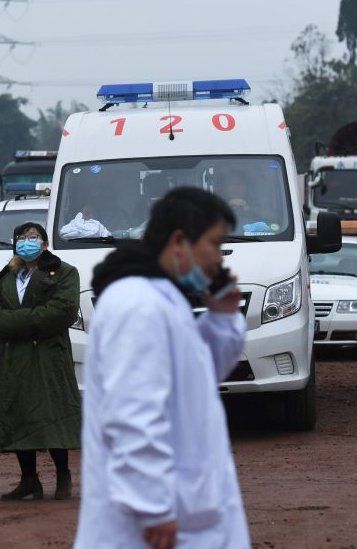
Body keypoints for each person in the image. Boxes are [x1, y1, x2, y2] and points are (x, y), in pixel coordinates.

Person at [75, 187, 249, 549]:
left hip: (188, 511)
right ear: (180, 241)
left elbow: (197, 383)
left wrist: (223, 318)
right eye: (215, 244)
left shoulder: (164, 300)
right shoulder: (138, 305)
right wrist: (152, 506)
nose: (220, 258)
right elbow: (132, 413)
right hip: (154, 524)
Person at [0, 222, 81, 501]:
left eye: (33, 237)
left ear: (45, 243)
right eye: (22, 237)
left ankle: (63, 476)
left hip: (47, 357)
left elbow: (61, 312)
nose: (28, 242)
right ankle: (29, 481)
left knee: (52, 415)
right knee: (19, 416)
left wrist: (14, 323)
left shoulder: (64, 273)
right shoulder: (8, 276)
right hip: (13, 358)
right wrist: (27, 320)